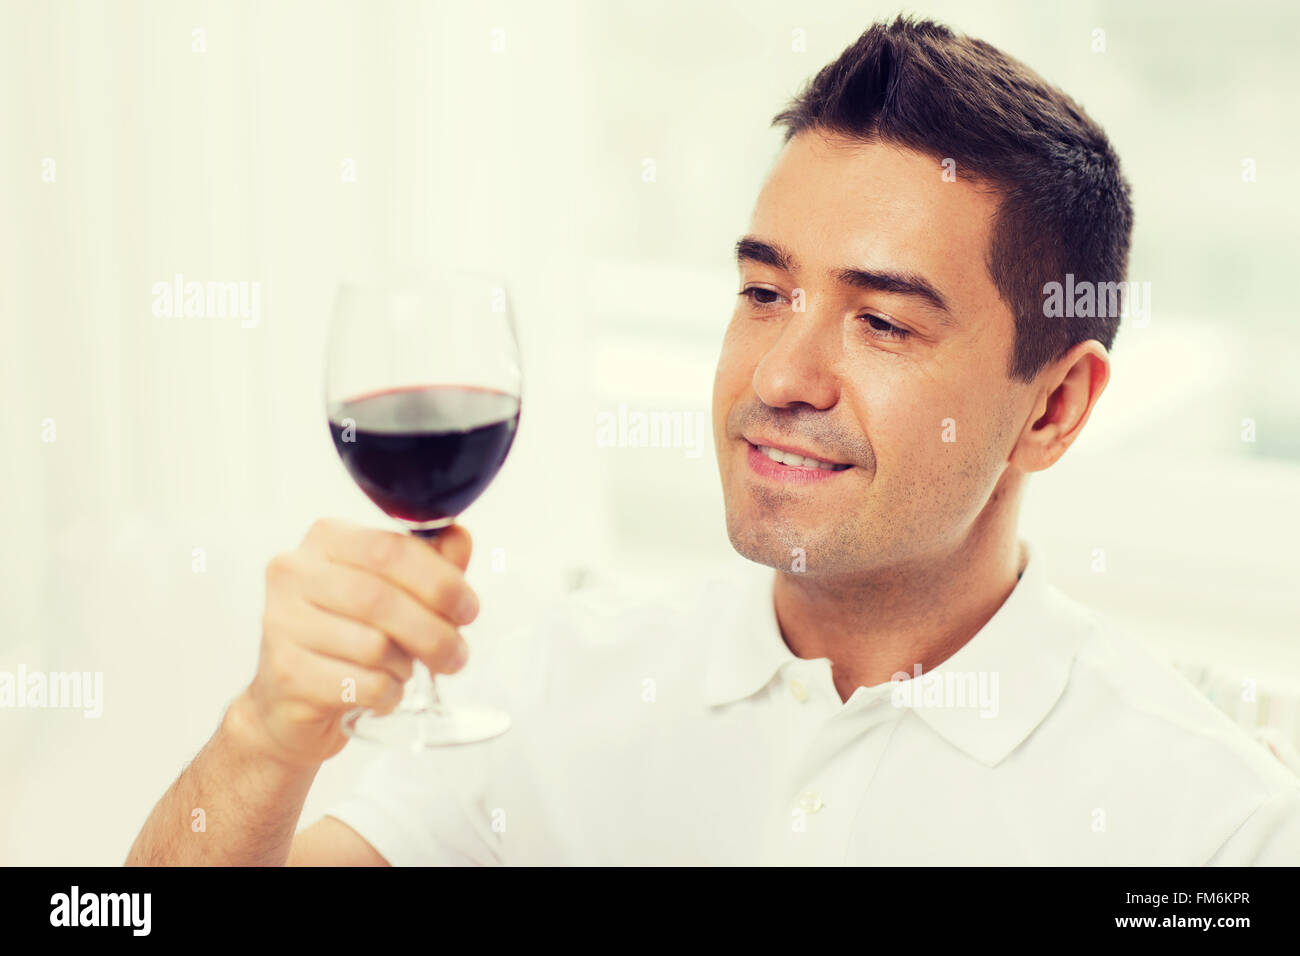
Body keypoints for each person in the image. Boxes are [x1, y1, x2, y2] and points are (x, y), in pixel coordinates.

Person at [126, 15, 1300, 866]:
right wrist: (264, 737)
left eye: (882, 321)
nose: (781, 377)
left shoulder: (1209, 825)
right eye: (763, 292)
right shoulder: (550, 687)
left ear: (1052, 408)